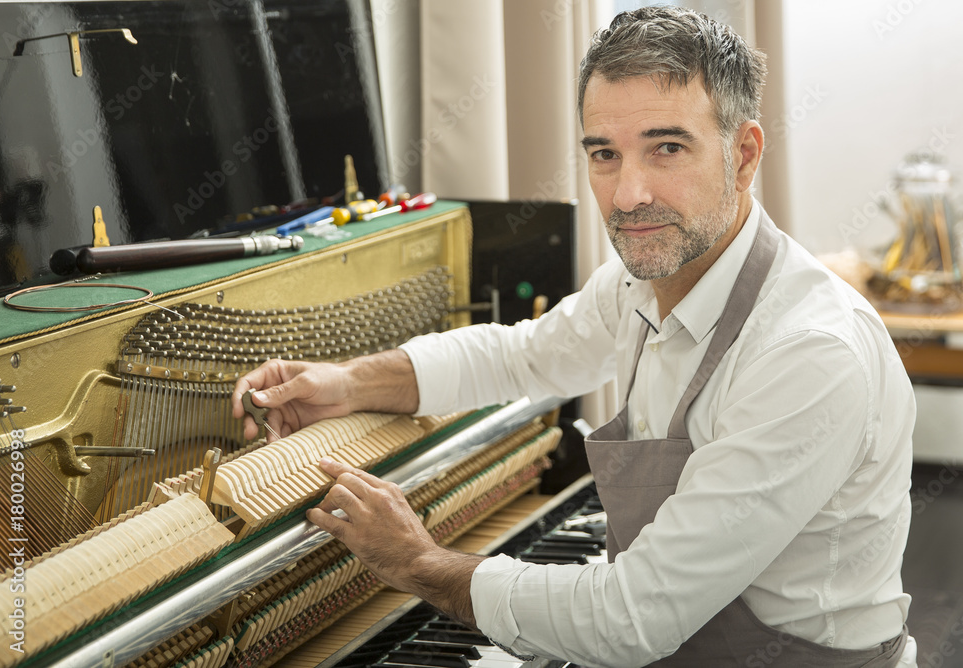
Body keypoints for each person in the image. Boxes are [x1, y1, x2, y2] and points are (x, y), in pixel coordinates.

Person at [233, 6, 917, 666]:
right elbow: (523, 354)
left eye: (667, 148)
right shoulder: (643, 282)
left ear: (743, 156)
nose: (627, 196)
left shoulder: (808, 354)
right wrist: (348, 383)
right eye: (604, 154)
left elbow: (630, 620)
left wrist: (418, 561)